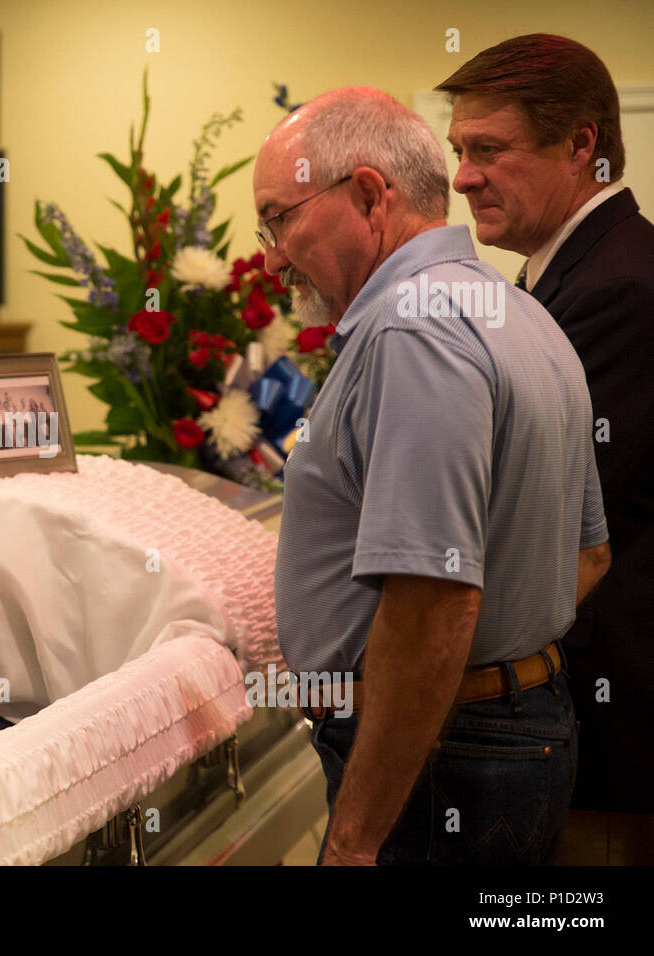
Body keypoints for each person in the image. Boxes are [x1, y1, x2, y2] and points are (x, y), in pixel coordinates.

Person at [255, 86, 610, 865]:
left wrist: (352, 842)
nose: (272, 254)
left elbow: (433, 600)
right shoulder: (519, 311)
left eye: (280, 217)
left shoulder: (414, 328)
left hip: (440, 759)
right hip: (500, 733)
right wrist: (495, 664)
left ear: (370, 195)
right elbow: (587, 555)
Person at [439, 35, 654, 863]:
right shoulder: (560, 275)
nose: (462, 176)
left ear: (580, 147)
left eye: (488, 149)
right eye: (459, 151)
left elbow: (542, 516)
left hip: (612, 733)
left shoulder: (620, 287)